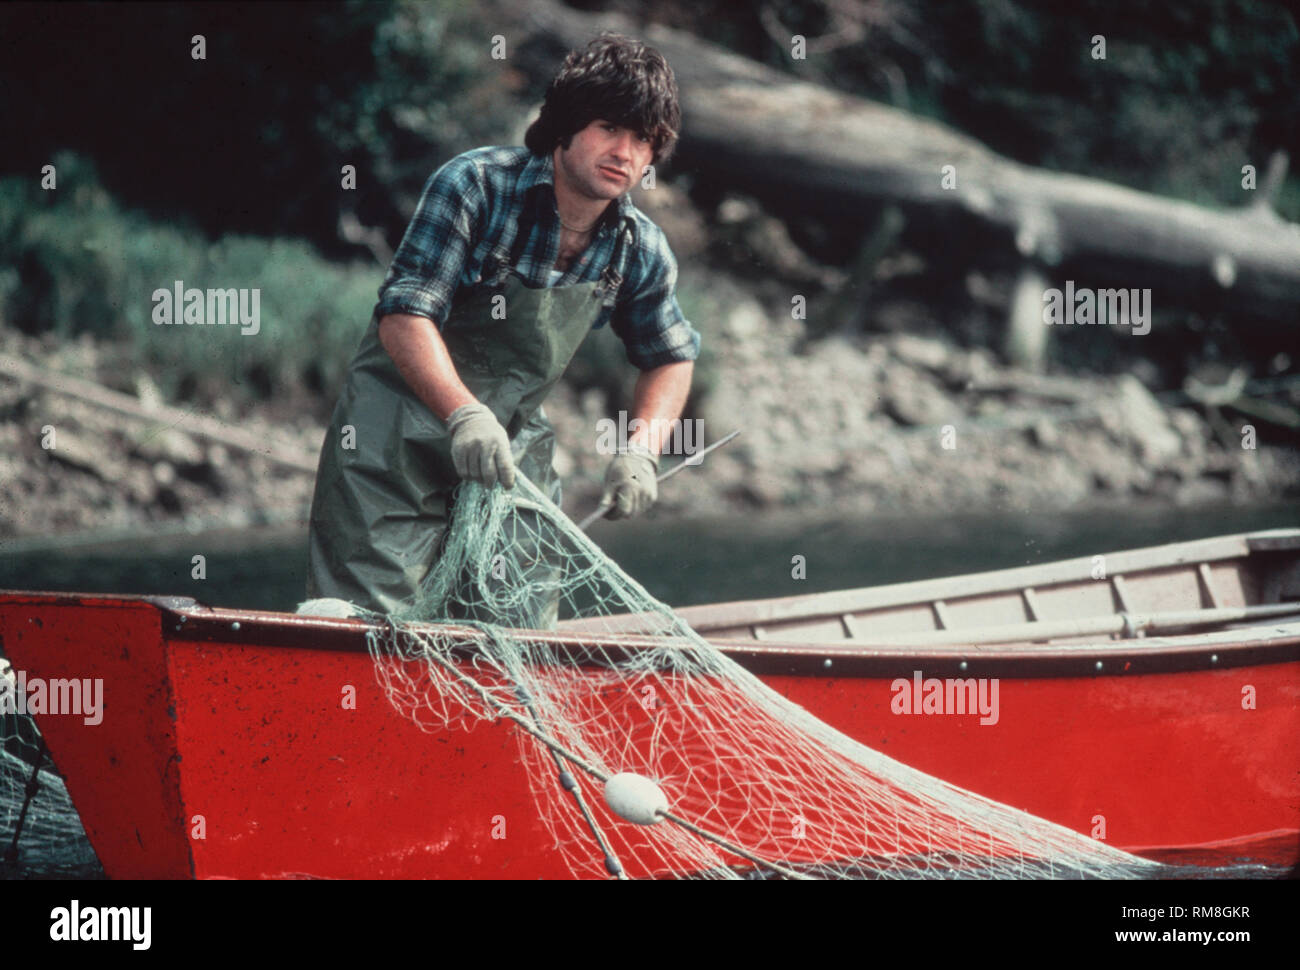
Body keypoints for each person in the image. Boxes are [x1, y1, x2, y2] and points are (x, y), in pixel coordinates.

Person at [305, 32, 700, 620]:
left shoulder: (638, 247)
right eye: (609, 127)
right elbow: (404, 315)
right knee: (370, 627)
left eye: (643, 138)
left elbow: (669, 355)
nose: (625, 151)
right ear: (565, 126)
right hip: (391, 446)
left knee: (519, 628)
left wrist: (641, 452)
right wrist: (464, 415)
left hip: (511, 457)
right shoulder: (476, 187)